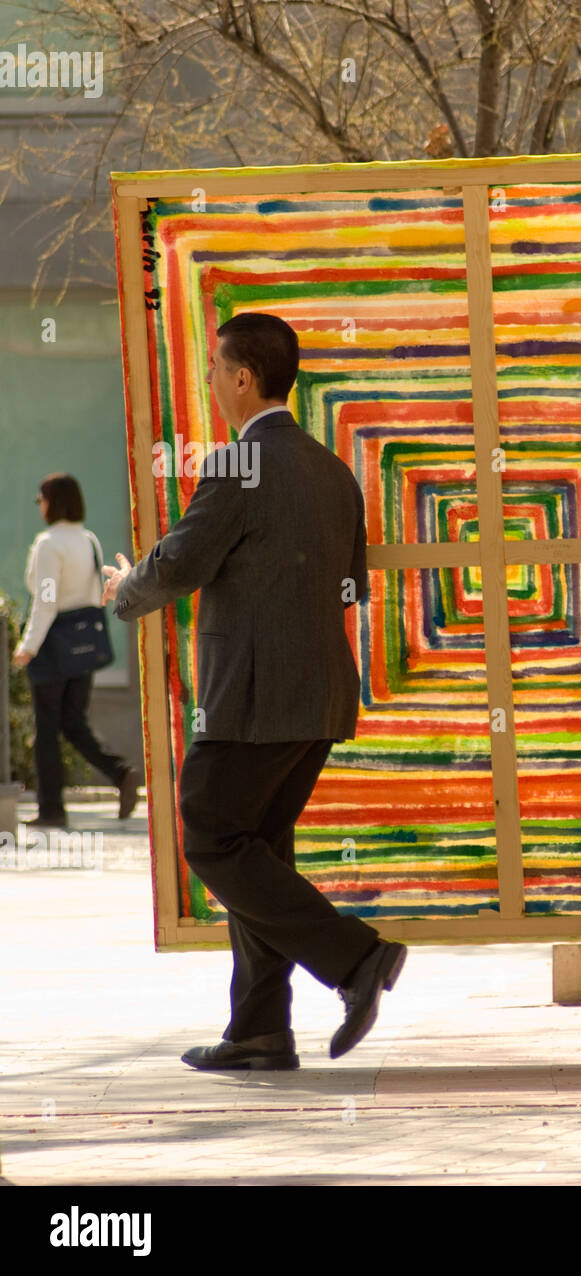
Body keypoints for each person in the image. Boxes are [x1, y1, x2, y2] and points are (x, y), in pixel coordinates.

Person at [102, 312, 404, 1071]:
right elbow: (348, 588)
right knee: (258, 850)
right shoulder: (332, 470)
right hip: (322, 695)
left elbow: (179, 563)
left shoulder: (242, 464)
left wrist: (122, 589)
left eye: (214, 369)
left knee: (208, 830)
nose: (209, 381)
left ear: (243, 378)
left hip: (253, 696)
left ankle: (356, 959)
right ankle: (260, 1031)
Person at [12, 473, 139, 828]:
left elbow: (46, 600)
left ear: (53, 502)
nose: (39, 506)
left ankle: (52, 809)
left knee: (48, 729)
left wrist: (28, 646)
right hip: (84, 646)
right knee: (72, 722)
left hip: (53, 646)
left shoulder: (50, 543)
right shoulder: (89, 540)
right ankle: (120, 773)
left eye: (41, 499)